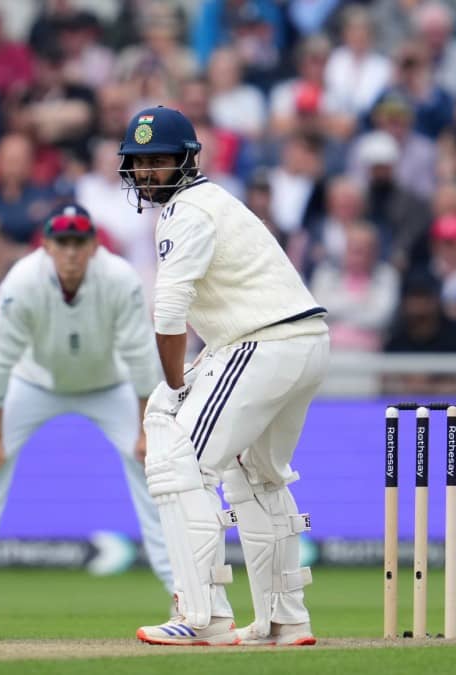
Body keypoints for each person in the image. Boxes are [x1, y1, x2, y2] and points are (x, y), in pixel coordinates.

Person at [117, 106, 329, 647]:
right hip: (302, 341)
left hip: (261, 342)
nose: (147, 173)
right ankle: (285, 620)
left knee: (178, 461)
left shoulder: (186, 210)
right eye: (139, 163)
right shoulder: (214, 202)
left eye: (159, 161)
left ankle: (201, 614)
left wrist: (173, 385)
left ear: (187, 161)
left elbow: (169, 310)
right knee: (257, 474)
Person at [0, 205, 173, 619]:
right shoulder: (22, 281)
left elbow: (141, 356)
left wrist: (147, 431)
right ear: (47, 246)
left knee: (156, 470)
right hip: (33, 381)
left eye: (79, 243)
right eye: (62, 243)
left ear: (93, 246)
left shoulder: (120, 279)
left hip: (110, 384)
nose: (71, 253)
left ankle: (183, 591)